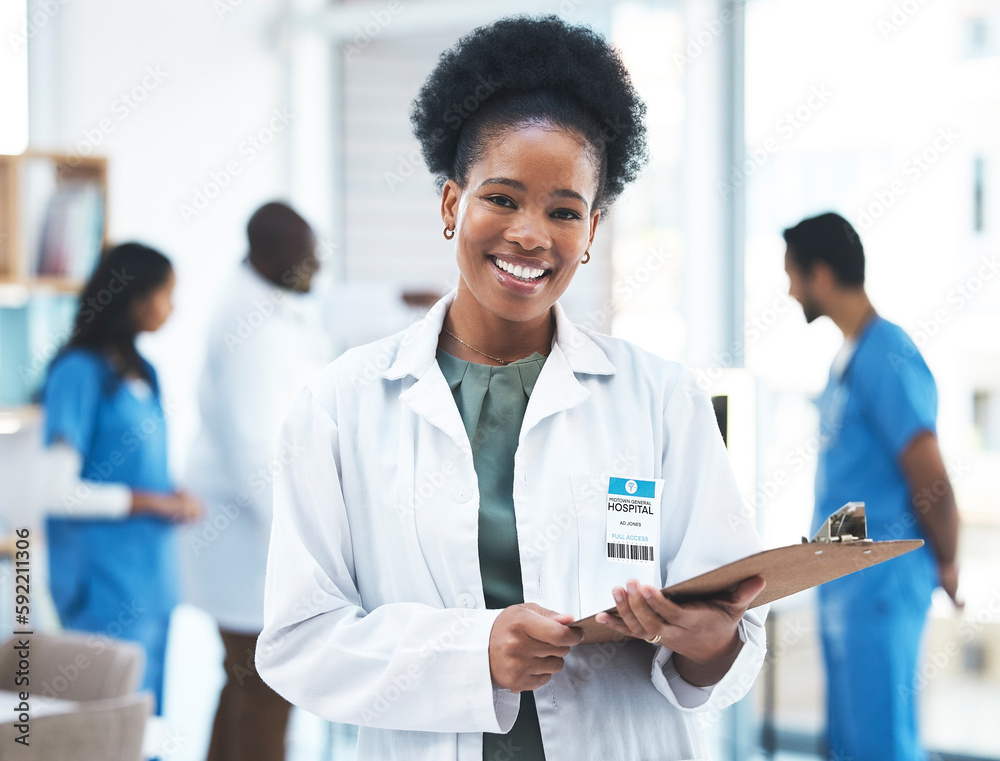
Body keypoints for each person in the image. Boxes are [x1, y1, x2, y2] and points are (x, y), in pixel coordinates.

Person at [256, 15, 767, 761]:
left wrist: (709, 642)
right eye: (502, 198)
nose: (531, 233)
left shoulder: (661, 399)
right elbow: (299, 640)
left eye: (564, 210)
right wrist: (473, 653)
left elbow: (724, 641)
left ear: (592, 231)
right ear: (449, 205)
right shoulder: (341, 405)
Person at [782, 212, 962, 761]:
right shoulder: (849, 358)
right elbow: (855, 483)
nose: (789, 291)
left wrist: (949, 563)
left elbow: (931, 476)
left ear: (821, 275)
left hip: (881, 591)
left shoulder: (887, 354)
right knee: (852, 744)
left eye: (792, 275)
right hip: (846, 589)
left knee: (881, 745)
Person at [184, 201, 329, 761]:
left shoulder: (267, 302)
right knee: (268, 686)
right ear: (267, 257)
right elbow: (253, 453)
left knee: (245, 686)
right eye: (304, 260)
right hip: (250, 537)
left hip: (246, 538)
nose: (314, 269)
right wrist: (301, 545)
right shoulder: (250, 326)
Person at [42, 242, 203, 716]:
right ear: (135, 298)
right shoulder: (77, 373)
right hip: (103, 583)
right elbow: (59, 493)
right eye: (166, 294)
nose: (172, 307)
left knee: (147, 719)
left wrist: (171, 494)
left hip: (152, 581)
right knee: (106, 721)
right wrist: (150, 503)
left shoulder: (142, 373)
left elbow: (137, 466)